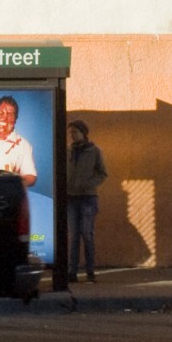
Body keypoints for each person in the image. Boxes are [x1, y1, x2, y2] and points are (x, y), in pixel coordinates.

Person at [67, 119, 108, 283]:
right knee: (74, 236)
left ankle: (90, 270)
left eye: (75, 132)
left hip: (88, 198)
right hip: (71, 198)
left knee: (87, 234)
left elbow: (103, 173)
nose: (72, 135)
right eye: (70, 133)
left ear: (84, 133)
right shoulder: (68, 151)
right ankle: (72, 271)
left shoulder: (94, 151)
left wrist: (88, 184)